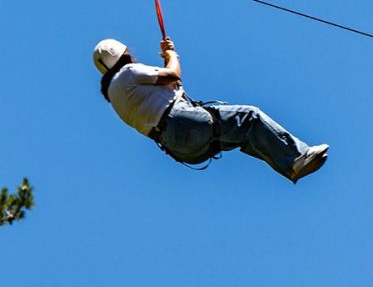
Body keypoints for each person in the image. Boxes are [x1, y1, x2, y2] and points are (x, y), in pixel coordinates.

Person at [93, 36, 328, 182]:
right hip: (183, 121)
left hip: (180, 148)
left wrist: (166, 60)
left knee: (246, 132)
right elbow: (174, 75)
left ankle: (291, 166)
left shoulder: (116, 98)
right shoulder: (129, 73)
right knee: (250, 117)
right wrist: (172, 55)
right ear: (123, 54)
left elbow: (165, 92)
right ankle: (295, 158)